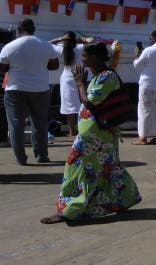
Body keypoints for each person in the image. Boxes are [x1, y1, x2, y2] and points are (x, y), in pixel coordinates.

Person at [40, 42, 142, 223]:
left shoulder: (106, 77)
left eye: (86, 56)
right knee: (108, 167)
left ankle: (70, 210)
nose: (83, 59)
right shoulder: (102, 76)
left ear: (96, 57)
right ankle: (124, 199)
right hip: (101, 132)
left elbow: (90, 102)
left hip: (95, 135)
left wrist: (79, 84)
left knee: (77, 168)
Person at [0, 18, 59, 165]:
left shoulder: (10, 46)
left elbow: (2, 69)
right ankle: (41, 155)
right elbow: (54, 66)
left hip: (15, 89)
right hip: (40, 88)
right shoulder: (46, 45)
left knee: (16, 124)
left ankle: (21, 158)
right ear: (34, 30)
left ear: (19, 30)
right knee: (40, 123)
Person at [132, 30, 156, 145]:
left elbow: (136, 65)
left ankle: (143, 137)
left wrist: (136, 55)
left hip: (147, 83)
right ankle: (155, 135)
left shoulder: (149, 50)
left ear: (153, 38)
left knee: (144, 109)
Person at [50, 31, 84, 137]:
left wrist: (61, 38)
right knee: (82, 104)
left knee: (69, 107)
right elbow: (94, 43)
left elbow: (48, 43)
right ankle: (82, 128)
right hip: (79, 77)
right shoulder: (81, 47)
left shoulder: (62, 49)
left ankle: (71, 131)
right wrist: (81, 40)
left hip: (67, 78)